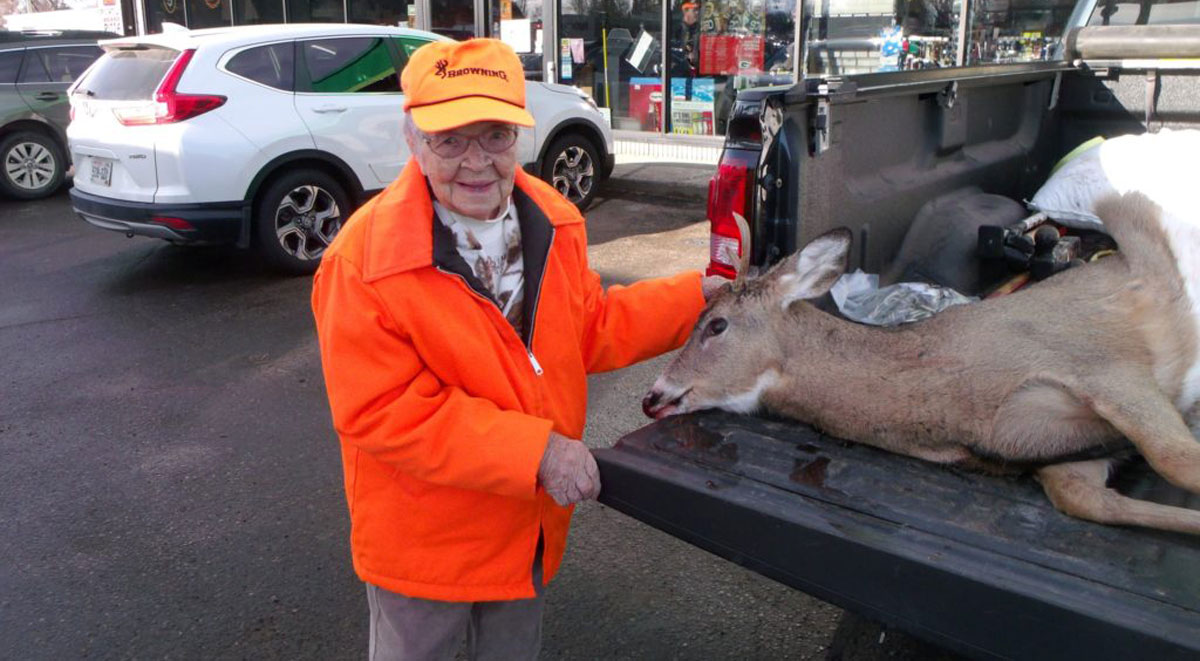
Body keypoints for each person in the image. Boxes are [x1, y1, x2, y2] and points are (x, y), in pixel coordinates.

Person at [311, 38, 721, 660]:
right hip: (427, 551)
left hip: (524, 530)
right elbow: (383, 410)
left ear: (520, 137)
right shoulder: (363, 263)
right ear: (413, 141)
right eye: (450, 139)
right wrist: (537, 453)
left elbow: (589, 328)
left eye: (496, 135)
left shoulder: (554, 220)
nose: (476, 162)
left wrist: (700, 298)